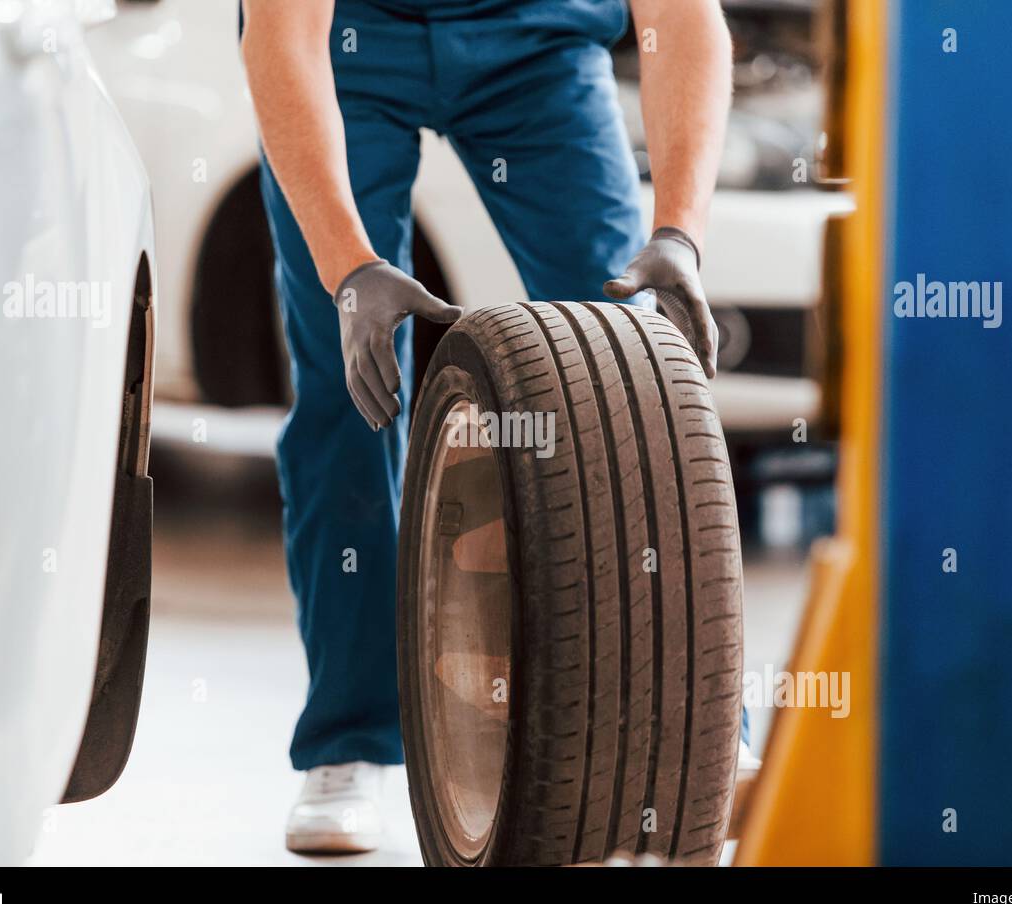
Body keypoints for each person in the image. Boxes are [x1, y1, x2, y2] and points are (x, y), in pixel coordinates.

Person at [242, 0, 738, 854]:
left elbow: (684, 17)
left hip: (537, 37)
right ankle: (350, 739)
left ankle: (689, 713)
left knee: (628, 356)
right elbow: (282, 37)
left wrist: (680, 233)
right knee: (345, 379)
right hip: (354, 43)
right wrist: (349, 268)